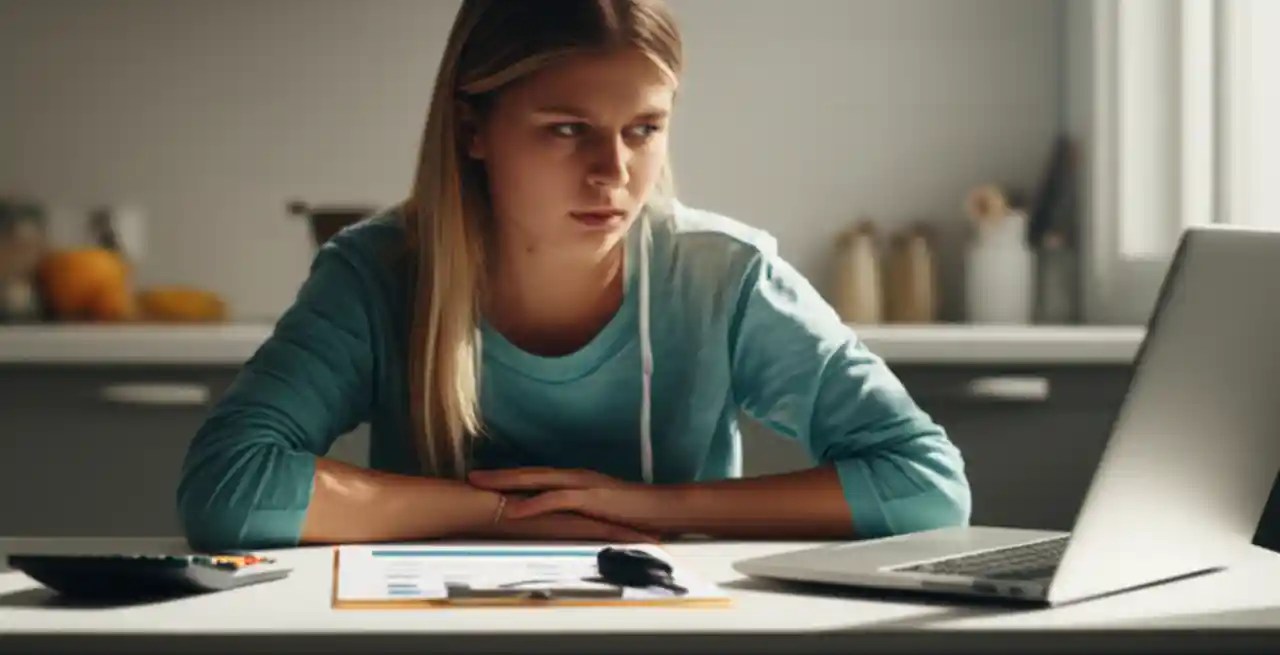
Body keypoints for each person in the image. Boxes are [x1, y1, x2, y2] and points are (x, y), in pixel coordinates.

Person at [177, 0, 970, 551]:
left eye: (643, 129)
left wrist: (647, 508)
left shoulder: (725, 276)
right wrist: (500, 514)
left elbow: (925, 485)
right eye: (566, 130)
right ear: (471, 129)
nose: (613, 172)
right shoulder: (376, 273)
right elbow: (230, 486)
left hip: (677, 654)